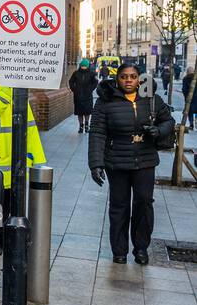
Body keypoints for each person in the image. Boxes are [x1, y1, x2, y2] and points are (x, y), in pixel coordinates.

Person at [89, 63, 175, 265]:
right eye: (124, 77)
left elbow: (168, 121)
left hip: (145, 160)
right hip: (117, 162)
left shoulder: (151, 99)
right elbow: (97, 133)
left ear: (139, 79)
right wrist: (95, 163)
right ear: (117, 79)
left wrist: (159, 131)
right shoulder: (105, 101)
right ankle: (119, 250)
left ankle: (141, 248)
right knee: (119, 206)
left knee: (144, 204)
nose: (129, 80)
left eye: (133, 76)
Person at [0, 59, 45, 253]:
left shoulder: (16, 92)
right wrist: (3, 93)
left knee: (11, 206)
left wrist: (37, 159)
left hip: (15, 164)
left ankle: (5, 238)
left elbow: (30, 128)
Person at [69, 58, 98, 134]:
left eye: (85, 66)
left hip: (87, 96)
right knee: (79, 112)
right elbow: (71, 81)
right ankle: (81, 126)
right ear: (80, 66)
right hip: (78, 96)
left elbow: (95, 82)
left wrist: (90, 89)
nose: (83, 67)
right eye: (82, 66)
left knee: (87, 112)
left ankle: (87, 126)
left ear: (87, 66)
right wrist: (74, 89)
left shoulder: (91, 73)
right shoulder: (76, 73)